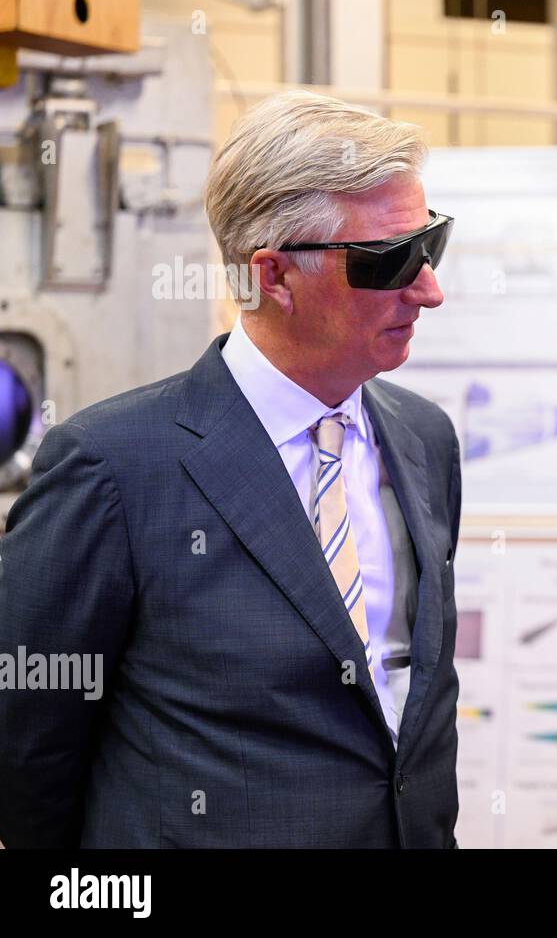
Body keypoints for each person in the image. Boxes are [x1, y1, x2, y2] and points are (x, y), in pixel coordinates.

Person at [0, 90, 461, 848]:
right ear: (273, 277)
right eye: (393, 260)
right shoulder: (114, 469)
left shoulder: (423, 440)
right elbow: (28, 752)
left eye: (432, 245)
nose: (430, 289)